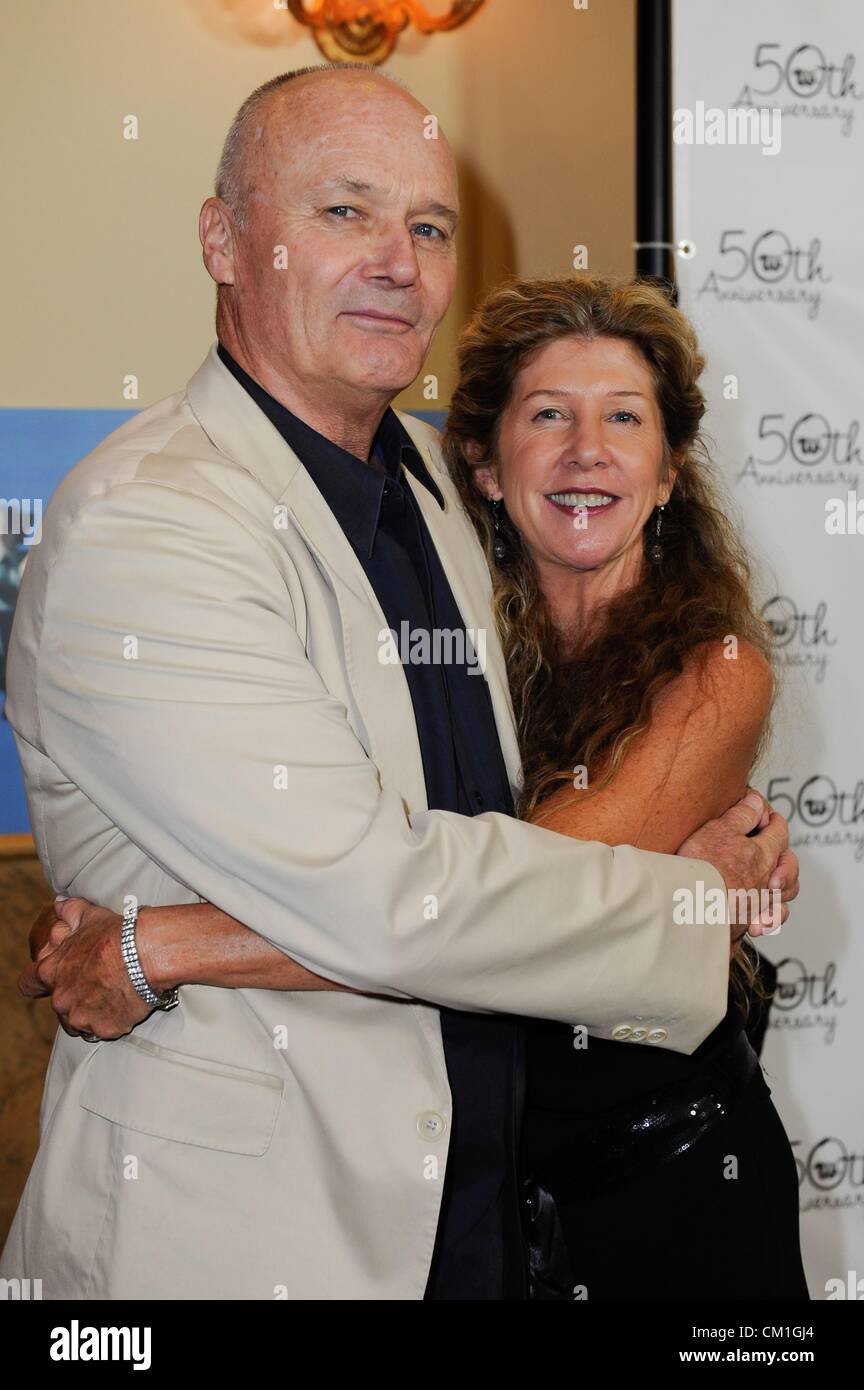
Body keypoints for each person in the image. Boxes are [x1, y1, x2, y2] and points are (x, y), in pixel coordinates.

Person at [3, 67, 797, 1302]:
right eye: (345, 213)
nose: (398, 260)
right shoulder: (147, 525)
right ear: (223, 239)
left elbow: (509, 827)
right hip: (244, 1237)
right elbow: (385, 898)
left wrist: (169, 944)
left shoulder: (429, 489)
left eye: (428, 228)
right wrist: (685, 903)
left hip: (486, 1224)